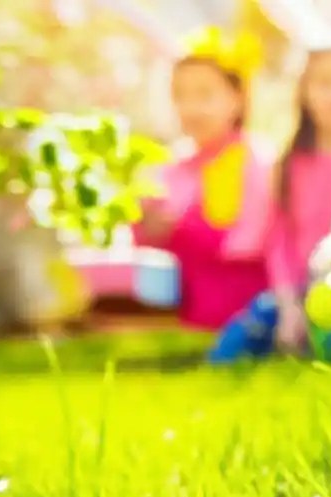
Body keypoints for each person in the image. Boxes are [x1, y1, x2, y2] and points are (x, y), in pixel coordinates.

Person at [209, 41, 331, 363]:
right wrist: (289, 305)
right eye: (325, 83)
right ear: (304, 89)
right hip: (296, 290)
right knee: (230, 348)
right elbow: (279, 243)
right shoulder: (288, 164)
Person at [134, 28, 273, 330]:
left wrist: (183, 229)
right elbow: (146, 235)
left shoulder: (256, 161)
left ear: (237, 98)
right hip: (186, 309)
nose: (190, 108)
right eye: (180, 95)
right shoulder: (172, 165)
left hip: (243, 306)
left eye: (204, 94)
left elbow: (250, 240)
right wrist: (146, 225)